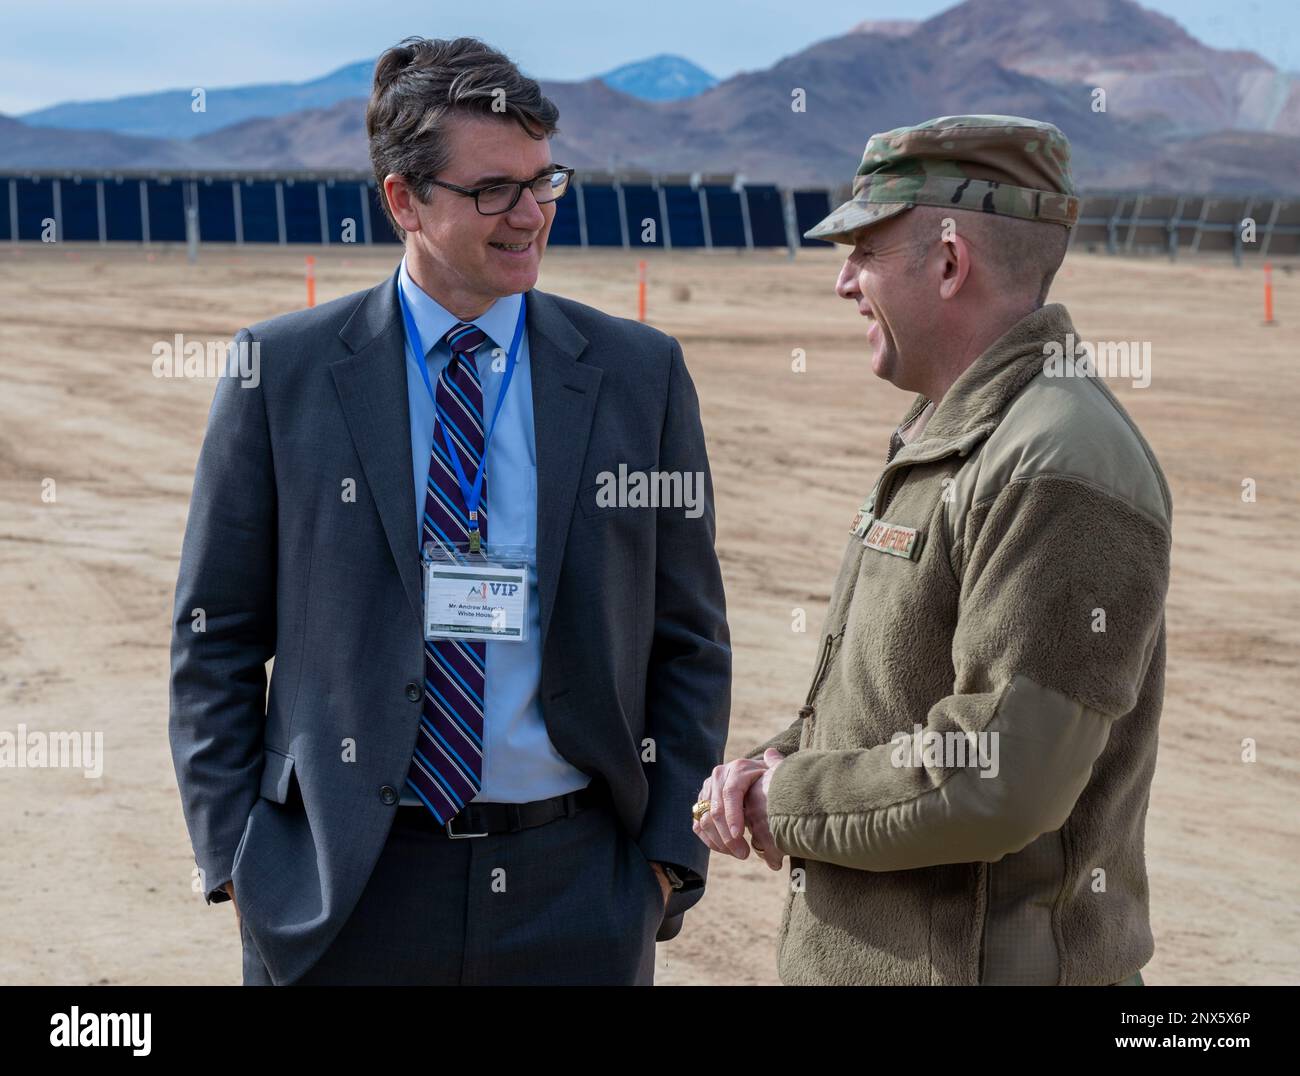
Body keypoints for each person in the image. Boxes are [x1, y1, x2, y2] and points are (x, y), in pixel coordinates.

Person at [169, 35, 730, 986]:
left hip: (577, 895)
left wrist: (667, 859)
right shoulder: (285, 373)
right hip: (345, 894)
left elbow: (689, 637)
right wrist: (239, 860)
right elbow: (214, 633)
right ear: (403, 200)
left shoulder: (640, 375)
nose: (530, 216)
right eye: (492, 190)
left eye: (544, 181)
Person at [694, 116, 1169, 986]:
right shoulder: (957, 433)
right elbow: (889, 693)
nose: (843, 283)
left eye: (865, 252)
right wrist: (779, 758)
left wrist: (783, 801)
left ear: (950, 262)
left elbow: (994, 778)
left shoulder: (1057, 462)